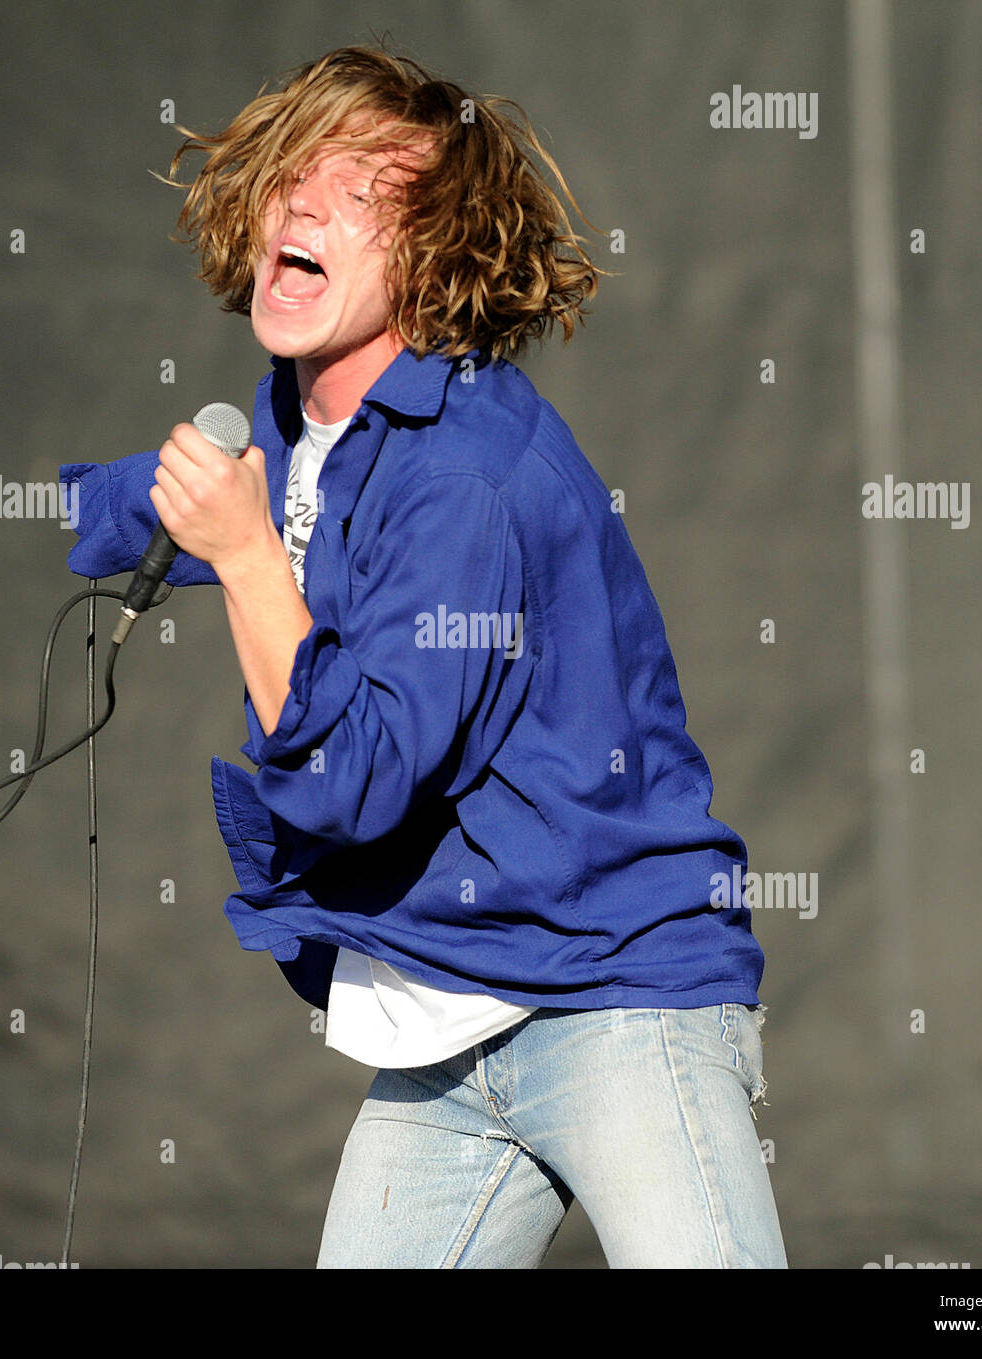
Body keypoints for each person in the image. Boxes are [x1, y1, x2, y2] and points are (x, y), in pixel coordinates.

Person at [60, 44, 787, 1269]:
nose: (305, 207)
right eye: (295, 178)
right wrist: (104, 511)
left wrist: (244, 560)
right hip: (443, 1025)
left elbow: (351, 779)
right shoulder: (306, 424)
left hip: (614, 1000)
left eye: (363, 200)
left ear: (434, 264)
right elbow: (134, 510)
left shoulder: (462, 477)